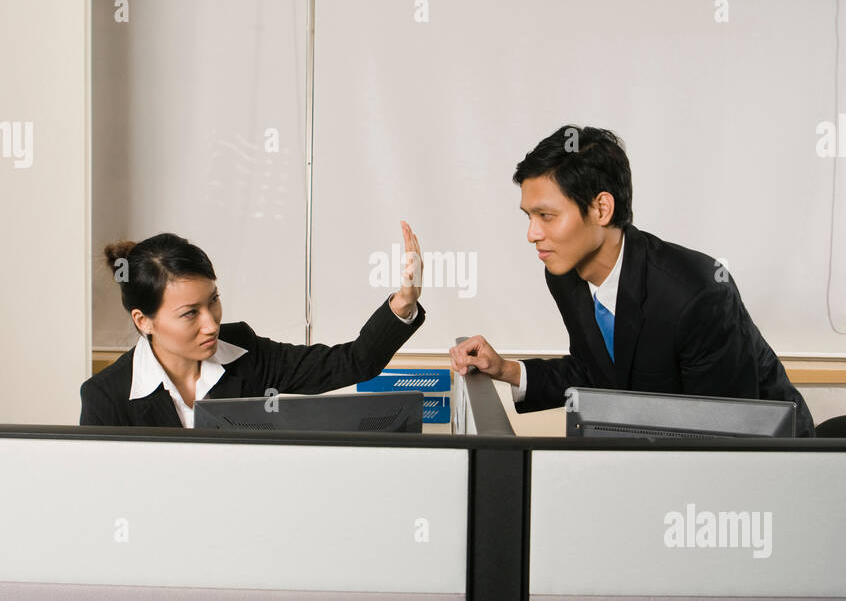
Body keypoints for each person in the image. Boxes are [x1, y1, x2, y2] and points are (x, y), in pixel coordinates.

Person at [450, 125, 815, 437]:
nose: (532, 233)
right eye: (529, 216)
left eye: (546, 216)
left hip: (772, 460)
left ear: (601, 209)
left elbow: (727, 431)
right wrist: (507, 370)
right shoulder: (564, 277)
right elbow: (597, 371)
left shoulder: (696, 293)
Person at [80, 221, 424, 428]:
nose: (211, 323)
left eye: (213, 300)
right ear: (145, 321)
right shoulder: (106, 397)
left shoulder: (245, 351)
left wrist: (404, 302)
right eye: (189, 313)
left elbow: (353, 362)